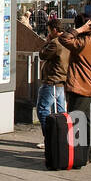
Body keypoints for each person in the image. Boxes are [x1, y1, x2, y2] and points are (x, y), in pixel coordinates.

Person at [59, 14, 91, 159]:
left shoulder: (83, 42)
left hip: (80, 86)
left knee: (75, 120)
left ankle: (75, 155)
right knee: (89, 121)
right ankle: (87, 154)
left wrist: (78, 30)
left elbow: (64, 38)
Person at [35, 18, 70, 151]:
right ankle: (61, 139)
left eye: (49, 30)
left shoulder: (55, 43)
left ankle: (50, 139)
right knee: (60, 112)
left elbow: (42, 55)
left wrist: (47, 41)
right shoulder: (67, 41)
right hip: (61, 81)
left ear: (54, 30)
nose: (48, 32)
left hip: (52, 81)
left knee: (43, 109)